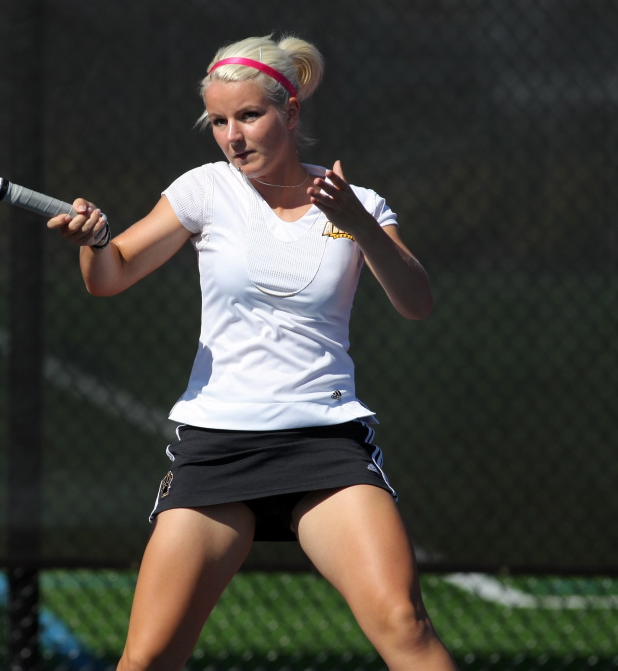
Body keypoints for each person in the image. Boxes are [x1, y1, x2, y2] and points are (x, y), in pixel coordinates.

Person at [48, 34, 457, 671]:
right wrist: (95, 241)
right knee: (148, 657)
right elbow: (110, 275)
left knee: (404, 626)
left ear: (290, 114)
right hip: (218, 446)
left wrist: (359, 221)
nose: (233, 136)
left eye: (248, 116)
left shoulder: (358, 204)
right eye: (218, 121)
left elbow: (416, 300)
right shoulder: (205, 190)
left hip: (324, 446)